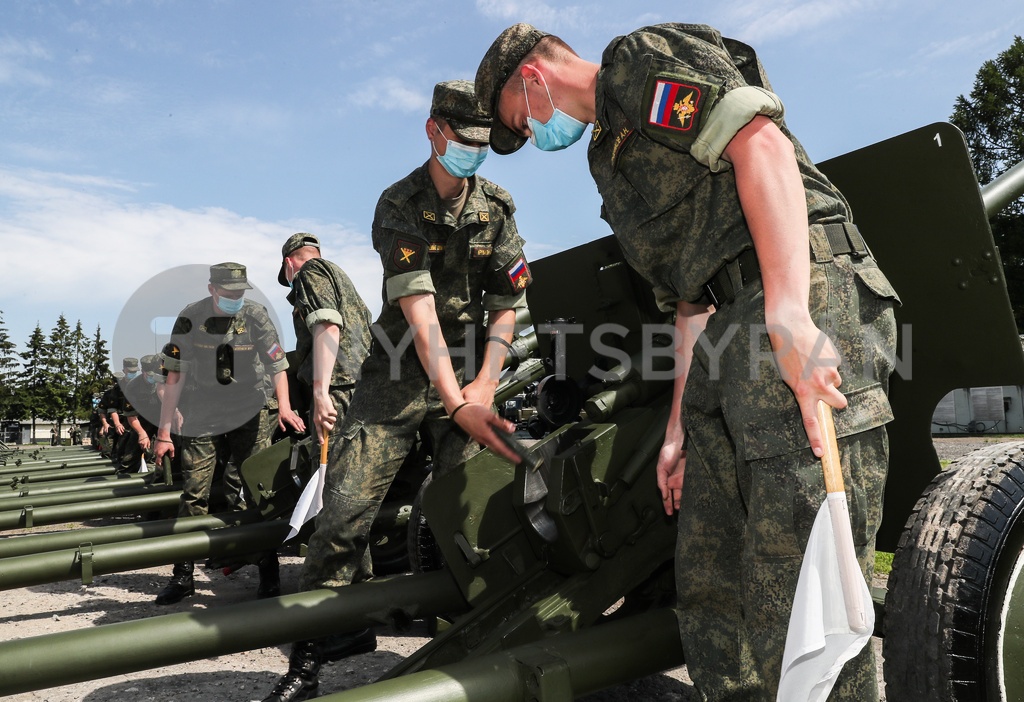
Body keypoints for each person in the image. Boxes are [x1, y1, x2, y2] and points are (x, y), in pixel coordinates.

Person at [474, 23, 900, 701]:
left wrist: (789, 311)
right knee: (712, 585)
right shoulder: (608, 158)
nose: (529, 135)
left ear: (533, 77)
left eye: (520, 120)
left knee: (802, 588)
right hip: (722, 329)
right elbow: (686, 299)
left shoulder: (640, 61)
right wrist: (677, 428)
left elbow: (757, 142)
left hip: (793, 293)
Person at [262, 80, 529, 702]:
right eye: (464, 140)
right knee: (341, 518)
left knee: (472, 514)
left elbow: (508, 300)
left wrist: (484, 386)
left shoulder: (499, 206)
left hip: (470, 375)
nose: (474, 153)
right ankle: (316, 653)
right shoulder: (399, 204)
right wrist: (456, 399)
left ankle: (483, 644)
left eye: (483, 144)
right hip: (399, 374)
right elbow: (421, 312)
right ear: (434, 131)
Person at [153, 262, 305, 605]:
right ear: (212, 289)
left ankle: (269, 573)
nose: (235, 298)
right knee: (194, 493)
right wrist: (164, 432)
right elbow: (174, 376)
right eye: (229, 293)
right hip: (205, 406)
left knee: (259, 489)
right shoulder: (190, 318)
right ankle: (183, 576)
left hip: (251, 405)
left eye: (240, 293)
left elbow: (277, 364)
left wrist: (284, 406)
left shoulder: (255, 315)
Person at [278, 232, 372, 447]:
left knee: (328, 467)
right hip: (360, 386)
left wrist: (321, 393)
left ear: (288, 263)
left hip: (335, 389)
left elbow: (327, 326)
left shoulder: (308, 273)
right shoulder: (338, 277)